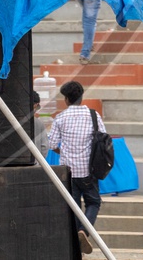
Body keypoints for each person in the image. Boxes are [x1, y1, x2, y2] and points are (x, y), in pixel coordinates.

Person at [47, 80, 102, 256]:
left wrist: (64, 150)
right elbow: (103, 139)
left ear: (66, 99)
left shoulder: (60, 118)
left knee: (73, 208)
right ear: (81, 97)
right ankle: (84, 232)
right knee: (94, 202)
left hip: (68, 172)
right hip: (88, 171)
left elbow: (52, 143)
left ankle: (76, 250)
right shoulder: (93, 116)